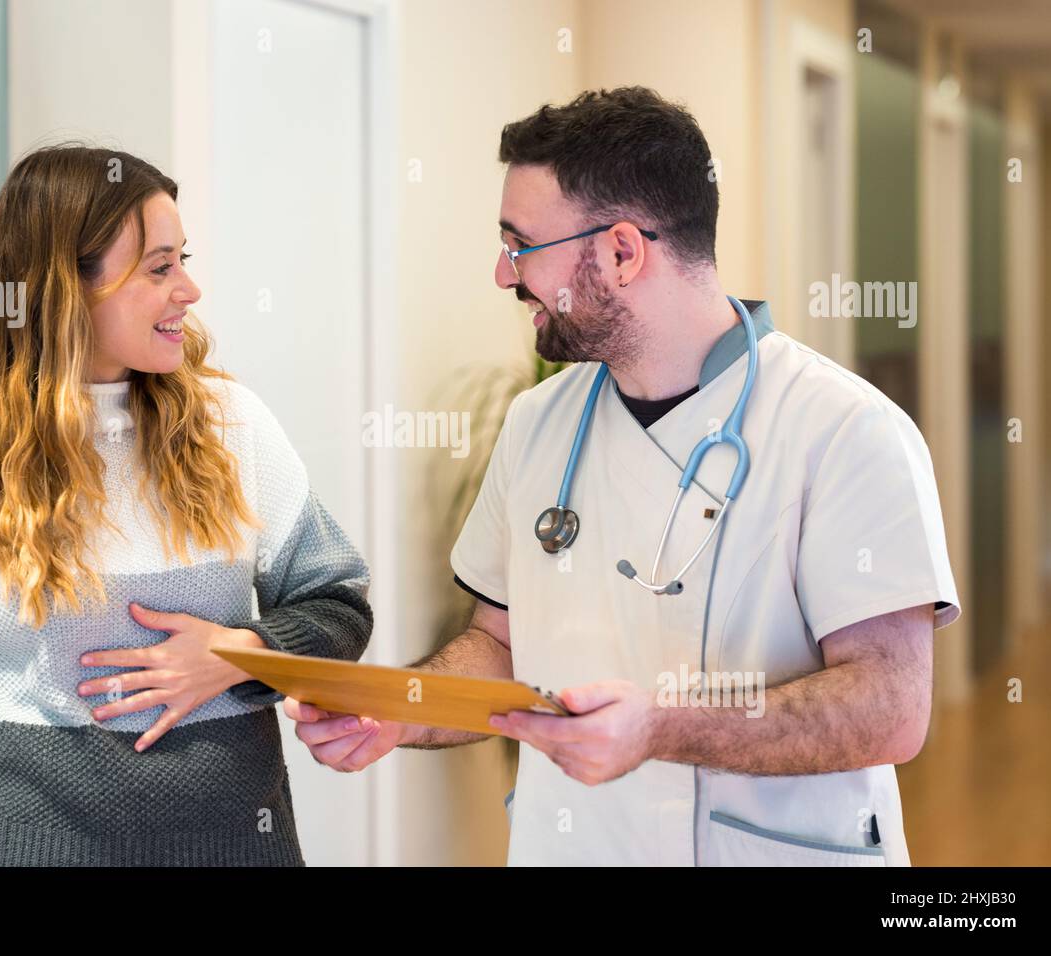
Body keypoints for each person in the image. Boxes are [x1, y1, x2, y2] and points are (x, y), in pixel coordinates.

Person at [284, 87, 961, 866]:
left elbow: (890, 709)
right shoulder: (538, 423)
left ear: (622, 251)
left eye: (520, 245)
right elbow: (499, 645)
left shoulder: (845, 433)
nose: (505, 275)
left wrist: (661, 728)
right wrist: (403, 709)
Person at [0, 144, 371, 866]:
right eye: (160, 268)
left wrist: (236, 654)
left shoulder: (234, 425)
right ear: (68, 286)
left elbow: (338, 601)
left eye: (181, 260)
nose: (188, 290)